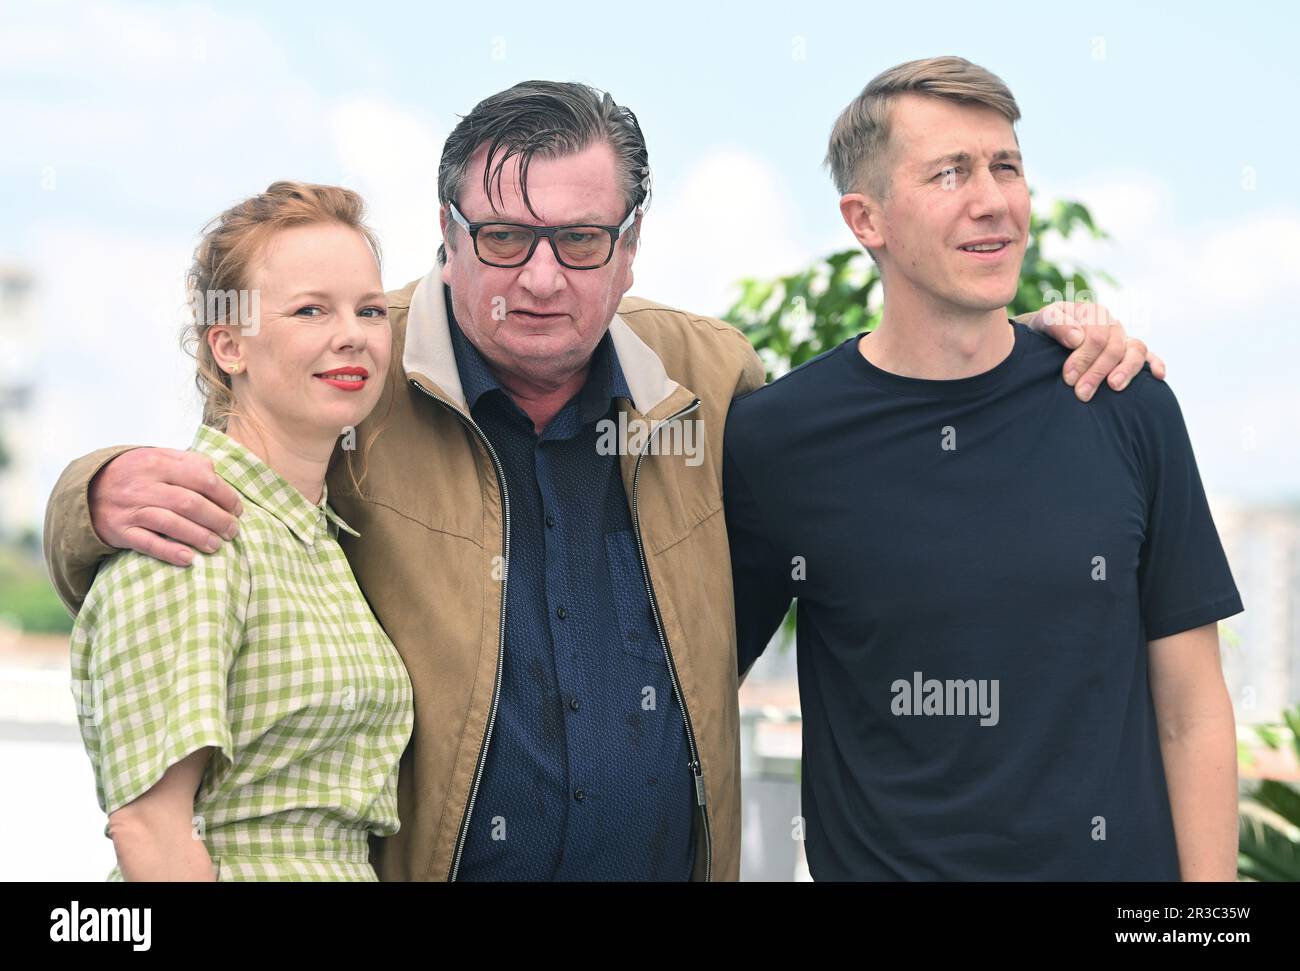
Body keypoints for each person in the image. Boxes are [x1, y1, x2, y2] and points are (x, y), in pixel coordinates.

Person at [47, 82, 1159, 882]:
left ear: (631, 244)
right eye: (500, 237)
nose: (538, 277)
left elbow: (882, 420)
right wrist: (89, 494)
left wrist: (1033, 342)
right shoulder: (356, 357)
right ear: (445, 235)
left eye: (579, 239)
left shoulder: (711, 378)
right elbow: (215, 483)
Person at [724, 57, 1242, 880]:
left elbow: (1191, 708)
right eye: (949, 172)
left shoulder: (1120, 399)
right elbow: (700, 686)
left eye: (1007, 166)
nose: (992, 199)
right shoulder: (777, 439)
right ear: (867, 219)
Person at [69, 182, 413, 881]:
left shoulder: (319, 539)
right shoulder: (191, 535)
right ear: (228, 344)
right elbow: (152, 830)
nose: (352, 332)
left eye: (370, 309)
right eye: (311, 309)